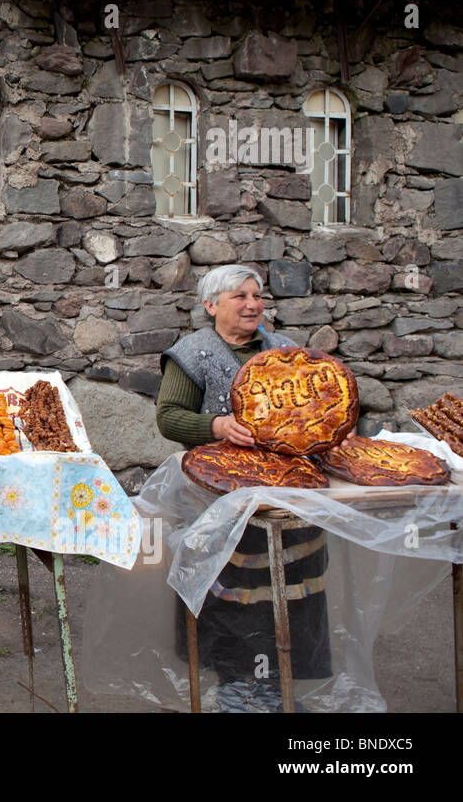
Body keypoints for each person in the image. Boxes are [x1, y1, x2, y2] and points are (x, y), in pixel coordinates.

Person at [155, 264, 331, 710]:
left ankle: (280, 686)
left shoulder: (286, 351)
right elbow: (169, 416)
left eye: (257, 296)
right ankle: (239, 687)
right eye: (240, 296)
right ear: (210, 305)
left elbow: (320, 405)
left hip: (289, 488)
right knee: (236, 592)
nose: (253, 304)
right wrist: (216, 425)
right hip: (222, 494)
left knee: (294, 589)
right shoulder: (192, 353)